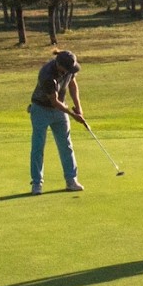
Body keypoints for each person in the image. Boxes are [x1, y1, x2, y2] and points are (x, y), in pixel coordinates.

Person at [28, 48, 87, 194]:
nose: (70, 71)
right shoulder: (47, 75)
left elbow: (72, 84)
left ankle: (71, 180)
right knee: (38, 147)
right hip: (41, 109)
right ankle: (37, 184)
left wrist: (78, 107)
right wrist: (73, 115)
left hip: (60, 109)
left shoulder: (69, 69)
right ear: (59, 65)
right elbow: (54, 102)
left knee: (66, 145)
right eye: (67, 69)